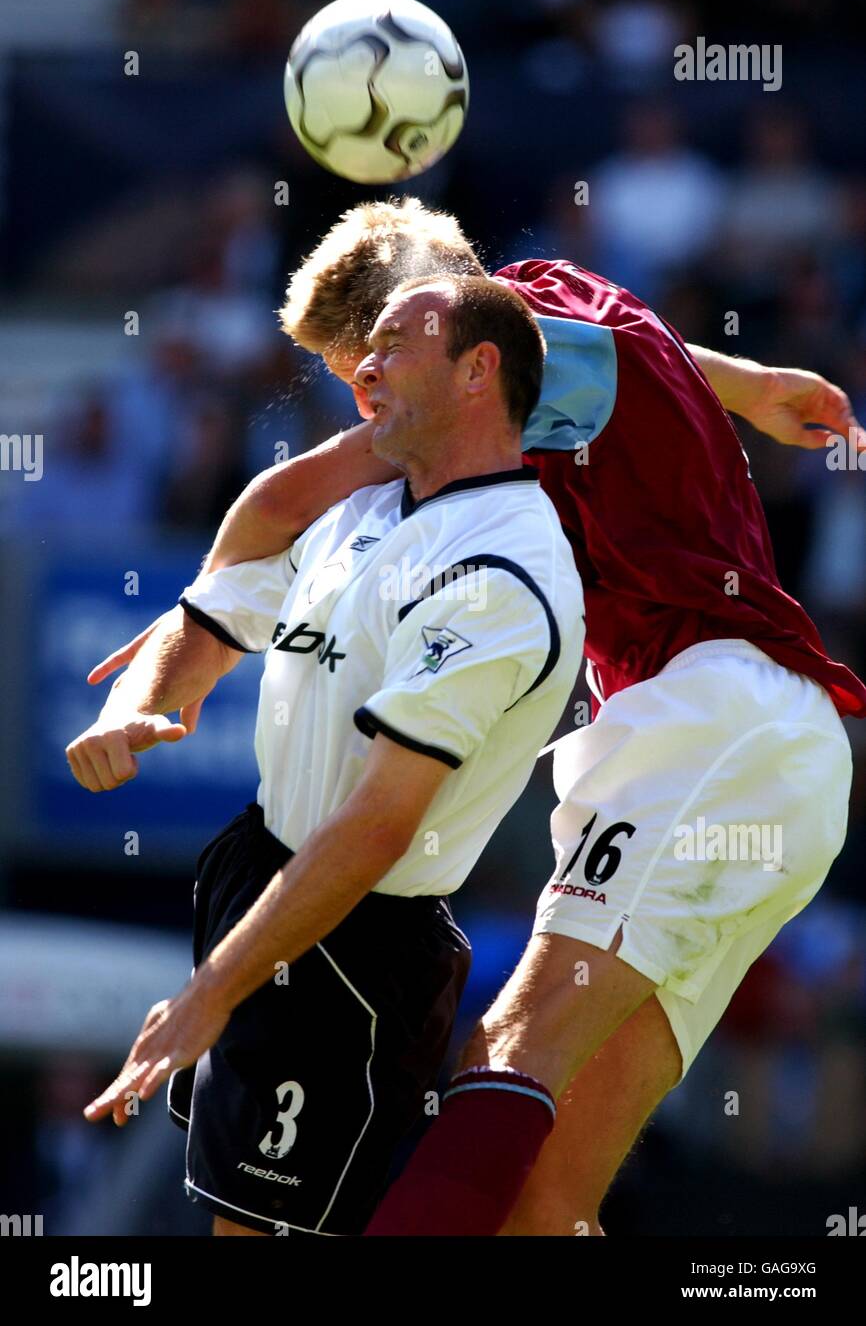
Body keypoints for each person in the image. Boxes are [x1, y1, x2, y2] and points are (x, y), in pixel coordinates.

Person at [91, 198, 866, 1237]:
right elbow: (631, 350)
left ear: (456, 344)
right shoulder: (560, 328)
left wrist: (201, 598)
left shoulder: (494, 392)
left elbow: (277, 501)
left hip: (712, 718)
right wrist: (744, 383)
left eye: (370, 359)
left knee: (506, 1051)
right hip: (766, 749)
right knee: (542, 1200)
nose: (363, 393)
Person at [66, 276, 585, 1237]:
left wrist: (210, 991)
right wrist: (136, 708)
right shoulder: (369, 507)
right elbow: (219, 613)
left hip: (352, 931)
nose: (364, 369)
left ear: (479, 371)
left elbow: (381, 824)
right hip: (261, 874)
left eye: (391, 346)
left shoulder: (502, 574)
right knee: (238, 1221)